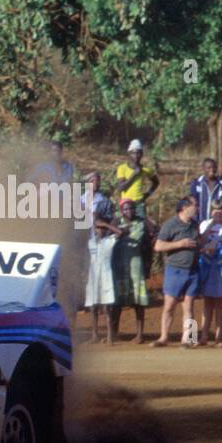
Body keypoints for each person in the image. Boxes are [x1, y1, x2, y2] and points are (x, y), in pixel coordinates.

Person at [153, 197, 204, 347]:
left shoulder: (195, 224)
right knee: (169, 304)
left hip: (193, 269)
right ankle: (163, 337)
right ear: (185, 207)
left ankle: (188, 339)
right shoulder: (171, 224)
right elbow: (158, 246)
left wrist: (203, 243)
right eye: (195, 205)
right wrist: (180, 244)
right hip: (175, 269)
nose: (197, 207)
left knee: (189, 305)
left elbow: (199, 240)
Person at [82, 172, 119, 342]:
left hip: (104, 243)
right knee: (92, 292)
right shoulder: (80, 201)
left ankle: (109, 333)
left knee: (104, 293)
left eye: (98, 180)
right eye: (93, 180)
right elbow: (77, 225)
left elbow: (112, 220)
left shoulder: (104, 201)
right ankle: (94, 333)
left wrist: (104, 229)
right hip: (88, 245)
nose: (96, 183)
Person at [111, 197, 149, 343]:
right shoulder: (116, 223)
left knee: (139, 301)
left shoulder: (141, 223)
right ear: (121, 211)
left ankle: (140, 334)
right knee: (118, 301)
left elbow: (147, 243)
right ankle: (114, 332)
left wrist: (148, 265)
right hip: (120, 266)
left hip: (136, 265)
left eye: (132, 208)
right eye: (126, 209)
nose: (129, 211)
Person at [198, 204, 222, 346]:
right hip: (206, 264)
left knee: (220, 302)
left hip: (221, 266)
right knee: (207, 302)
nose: (218, 214)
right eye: (215, 211)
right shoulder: (205, 224)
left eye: (221, 212)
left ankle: (218, 336)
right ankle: (204, 335)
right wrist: (210, 225)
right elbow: (201, 241)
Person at [114, 139, 159, 220]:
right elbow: (121, 188)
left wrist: (147, 194)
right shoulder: (122, 168)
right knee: (124, 227)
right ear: (129, 154)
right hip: (126, 205)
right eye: (133, 153)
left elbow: (156, 182)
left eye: (139, 153)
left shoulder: (146, 169)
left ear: (142, 154)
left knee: (140, 227)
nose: (136, 155)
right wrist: (134, 174)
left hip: (139, 204)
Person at [189, 157, 222, 229]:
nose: (212, 170)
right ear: (203, 168)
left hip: (217, 225)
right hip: (198, 223)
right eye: (208, 168)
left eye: (214, 167)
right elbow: (192, 201)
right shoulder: (196, 183)